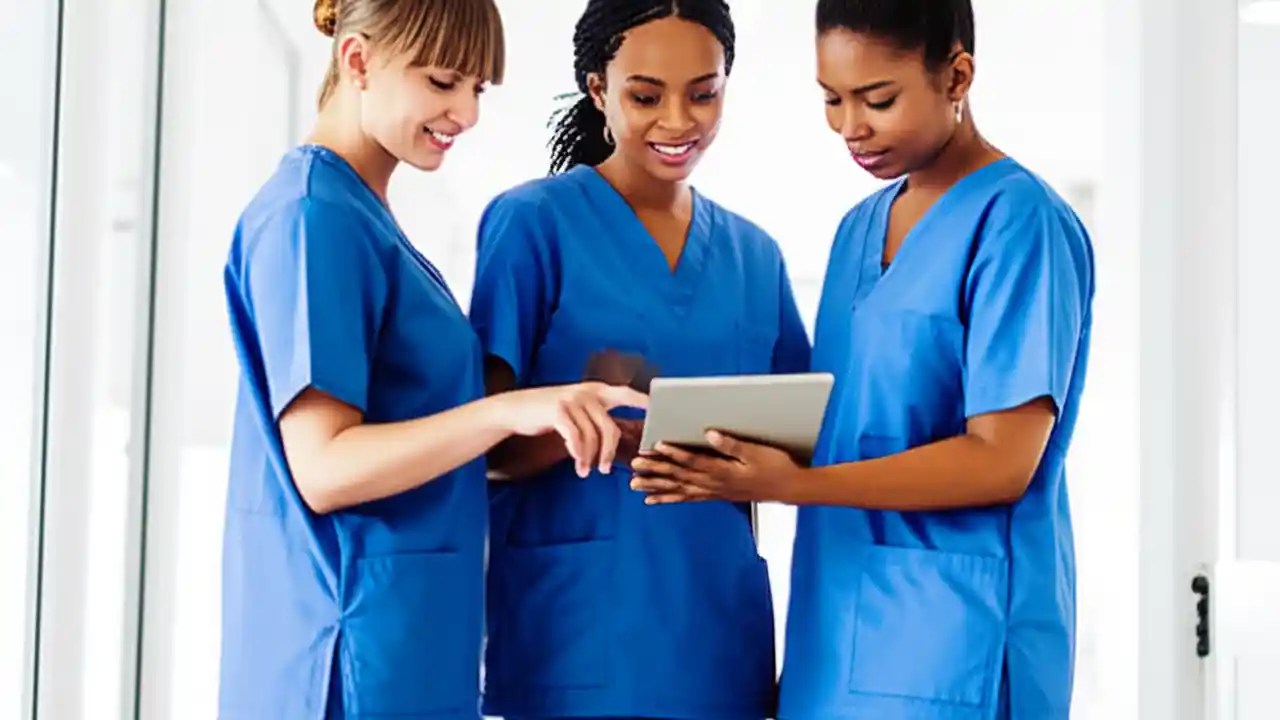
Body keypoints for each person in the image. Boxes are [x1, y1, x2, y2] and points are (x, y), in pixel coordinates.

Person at [631, 1, 1095, 718]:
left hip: (957, 639)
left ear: (957, 76)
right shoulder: (857, 231)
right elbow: (837, 419)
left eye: (878, 99)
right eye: (831, 99)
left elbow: (1003, 460)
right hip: (833, 632)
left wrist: (792, 486)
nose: (851, 128)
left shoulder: (1018, 221)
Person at [219, 2, 646, 718]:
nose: (466, 112)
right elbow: (324, 469)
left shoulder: (365, 218)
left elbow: (428, 438)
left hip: (406, 642)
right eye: (444, 81)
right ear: (357, 60)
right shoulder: (312, 216)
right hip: (349, 650)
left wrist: (572, 409)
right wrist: (505, 407)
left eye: (478, 88)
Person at [467, 1, 811, 718]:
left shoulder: (754, 256)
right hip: (577, 635)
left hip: (719, 632)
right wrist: (588, 426)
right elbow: (482, 446)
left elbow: (800, 446)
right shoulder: (534, 225)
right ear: (598, 89)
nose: (679, 121)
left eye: (704, 93)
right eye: (646, 95)